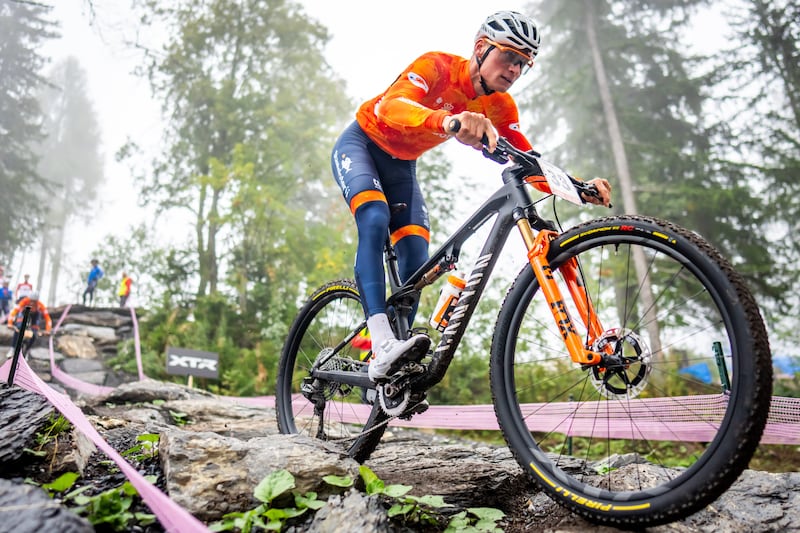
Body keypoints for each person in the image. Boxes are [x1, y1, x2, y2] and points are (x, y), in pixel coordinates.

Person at [330, 11, 611, 382]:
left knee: (416, 258)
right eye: (509, 56)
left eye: (523, 63)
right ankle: (381, 343)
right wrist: (450, 121)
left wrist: (577, 187)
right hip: (362, 145)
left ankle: (388, 372)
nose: (514, 69)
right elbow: (391, 106)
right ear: (481, 48)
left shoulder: (500, 106)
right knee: (375, 217)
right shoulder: (436, 67)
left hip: (402, 167)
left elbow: (527, 160)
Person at [6, 291, 52, 358]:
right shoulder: (24, 301)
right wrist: (10, 323)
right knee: (18, 329)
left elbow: (48, 318)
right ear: (29, 299)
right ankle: (12, 348)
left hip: (35, 316)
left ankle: (27, 350)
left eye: (34, 302)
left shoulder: (40, 305)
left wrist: (48, 330)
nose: (32, 303)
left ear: (37, 301)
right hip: (24, 313)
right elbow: (13, 312)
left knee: (34, 333)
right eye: (31, 301)